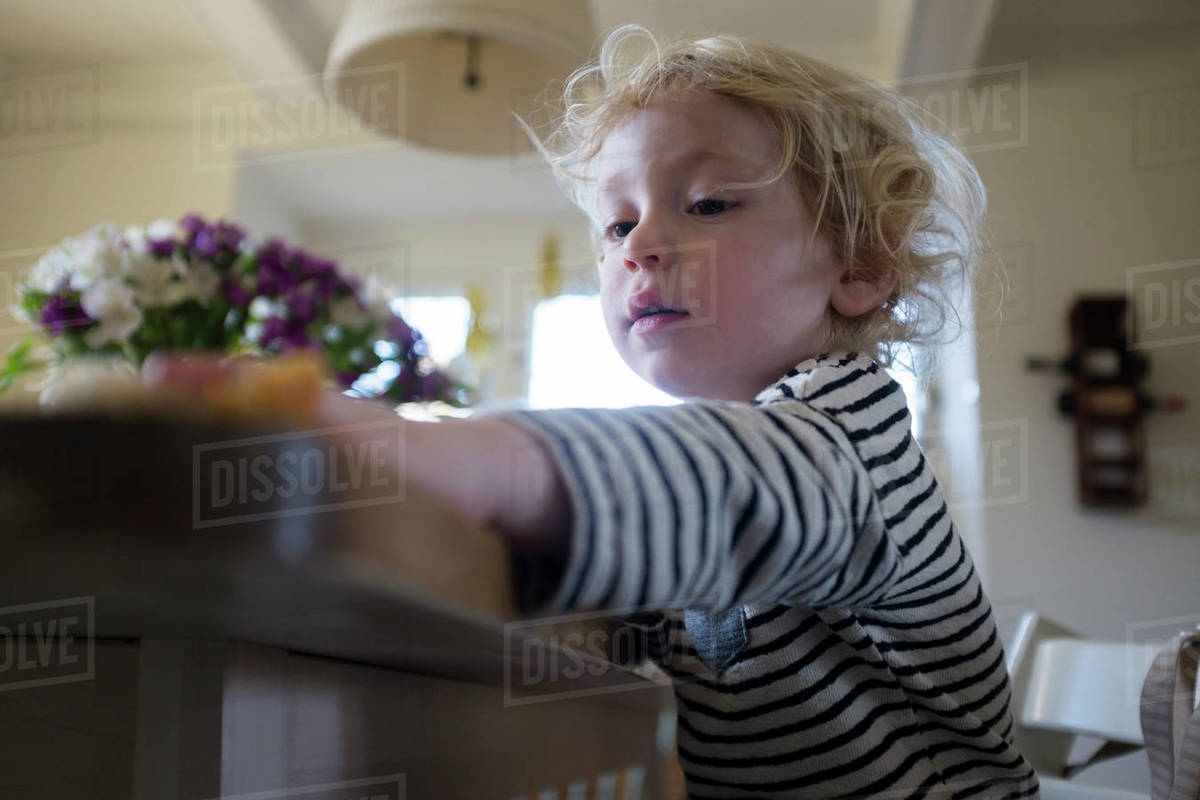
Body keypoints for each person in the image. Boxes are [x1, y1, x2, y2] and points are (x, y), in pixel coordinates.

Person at [152, 24, 1037, 800]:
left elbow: (725, 485)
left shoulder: (850, 435)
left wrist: (416, 447)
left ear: (860, 266)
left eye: (708, 203)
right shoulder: (710, 458)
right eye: (616, 226)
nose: (642, 246)